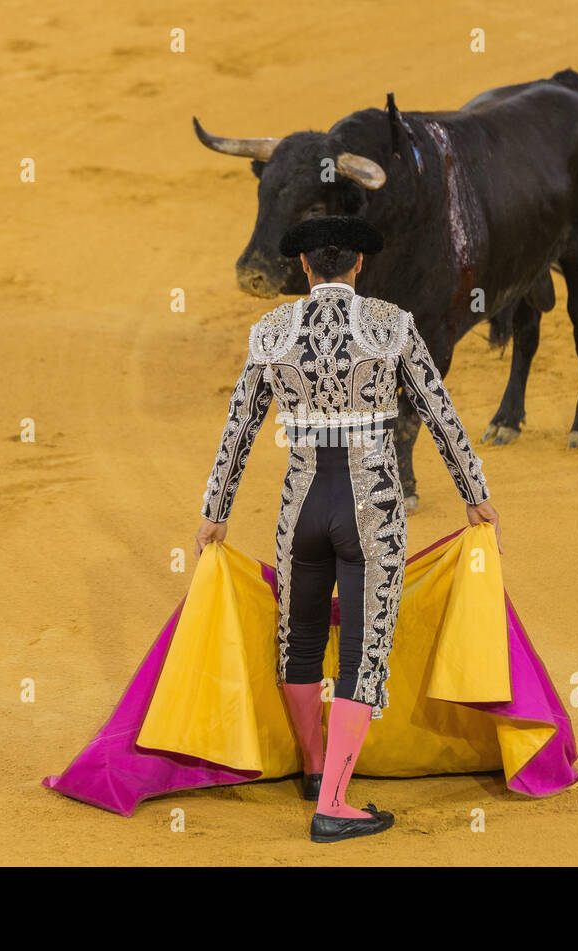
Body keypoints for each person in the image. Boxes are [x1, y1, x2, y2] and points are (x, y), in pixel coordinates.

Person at [195, 215, 500, 842]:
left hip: (300, 508)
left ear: (303, 267)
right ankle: (334, 801)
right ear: (359, 265)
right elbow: (438, 413)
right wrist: (475, 496)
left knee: (299, 640)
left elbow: (240, 429)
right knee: (364, 651)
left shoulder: (271, 331)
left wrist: (215, 511)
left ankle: (313, 769)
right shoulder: (389, 324)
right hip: (373, 510)